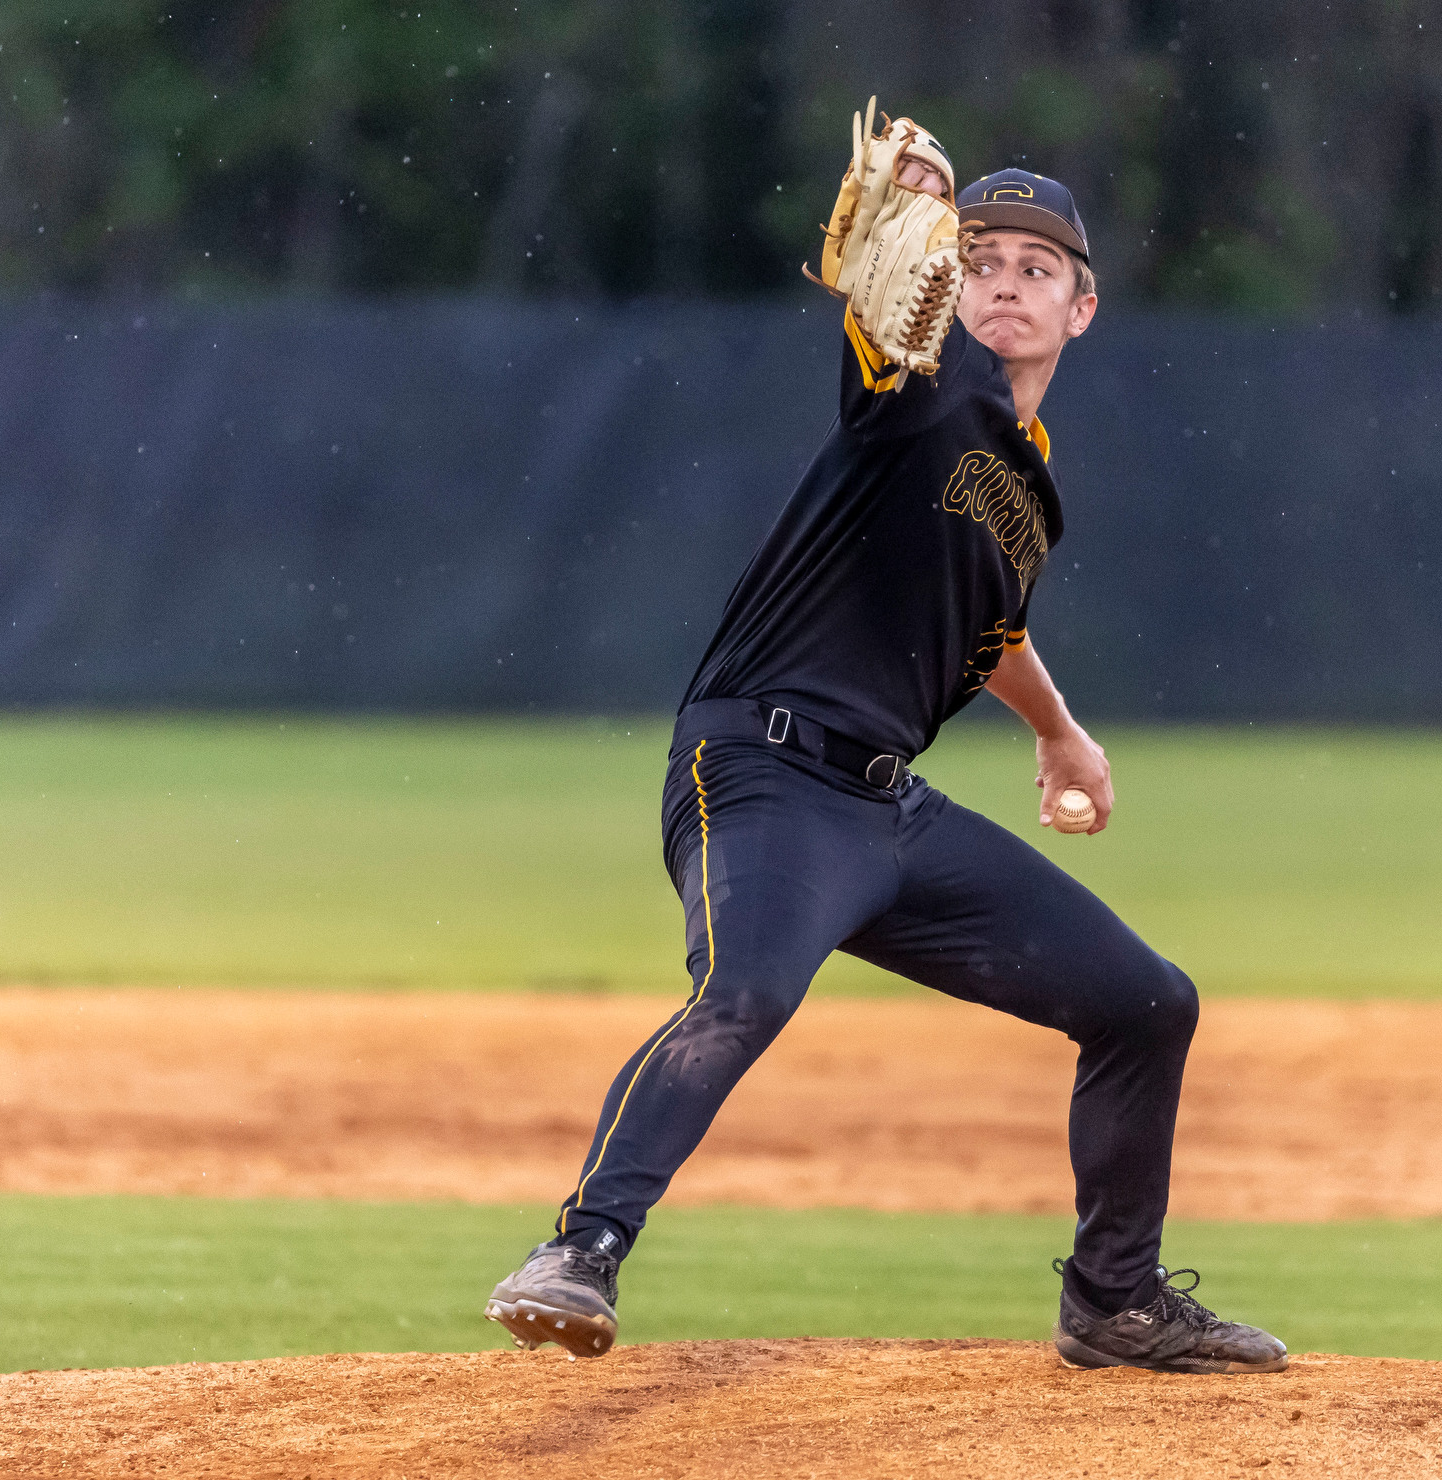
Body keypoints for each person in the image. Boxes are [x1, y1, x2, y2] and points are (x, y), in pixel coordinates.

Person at [484, 129, 1288, 1375]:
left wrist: (1059, 733)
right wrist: (905, 224)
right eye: (983, 260)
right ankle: (577, 1250)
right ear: (950, 285)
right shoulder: (916, 387)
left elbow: (987, 626)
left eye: (1037, 265)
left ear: (1082, 309)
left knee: (1144, 1003)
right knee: (742, 992)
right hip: (759, 768)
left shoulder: (1032, 477)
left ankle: (1113, 1301)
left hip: (886, 811)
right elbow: (882, 313)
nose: (1004, 281)